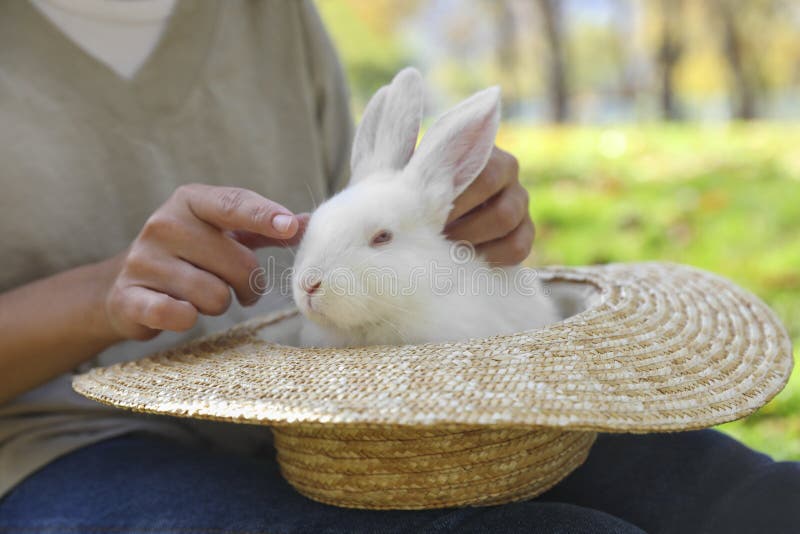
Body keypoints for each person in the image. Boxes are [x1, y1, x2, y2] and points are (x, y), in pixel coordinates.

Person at [0, 1, 797, 533]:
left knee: (736, 499)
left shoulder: (269, 18)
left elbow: (368, 209)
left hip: (345, 401)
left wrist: (472, 228)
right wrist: (101, 298)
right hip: (60, 441)